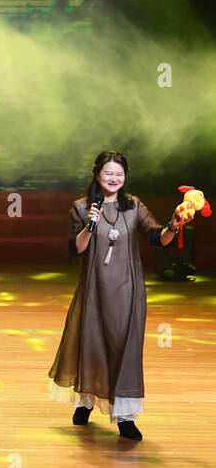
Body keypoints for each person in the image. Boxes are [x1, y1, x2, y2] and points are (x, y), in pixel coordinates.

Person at [48, 151, 181, 441]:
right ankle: (85, 401)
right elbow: (76, 249)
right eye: (108, 173)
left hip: (127, 291)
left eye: (119, 174)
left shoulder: (133, 206)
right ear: (97, 175)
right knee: (92, 346)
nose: (114, 178)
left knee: (125, 350)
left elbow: (157, 237)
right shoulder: (81, 207)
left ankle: (125, 418)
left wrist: (173, 225)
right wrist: (90, 225)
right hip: (94, 290)